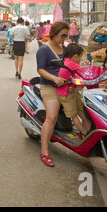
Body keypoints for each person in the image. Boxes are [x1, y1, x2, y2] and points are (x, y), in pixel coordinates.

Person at [36, 21, 70, 167]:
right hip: (49, 87)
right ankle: (44, 151)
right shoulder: (44, 50)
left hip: (66, 86)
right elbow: (41, 70)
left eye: (66, 36)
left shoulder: (65, 48)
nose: (65, 38)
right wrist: (54, 78)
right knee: (51, 117)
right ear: (54, 34)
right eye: (63, 35)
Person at [56, 43, 92, 138]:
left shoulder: (67, 61)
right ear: (75, 56)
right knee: (74, 115)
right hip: (65, 94)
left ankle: (88, 130)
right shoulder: (70, 63)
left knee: (81, 110)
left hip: (72, 90)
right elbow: (84, 70)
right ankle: (84, 132)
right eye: (80, 57)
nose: (81, 59)